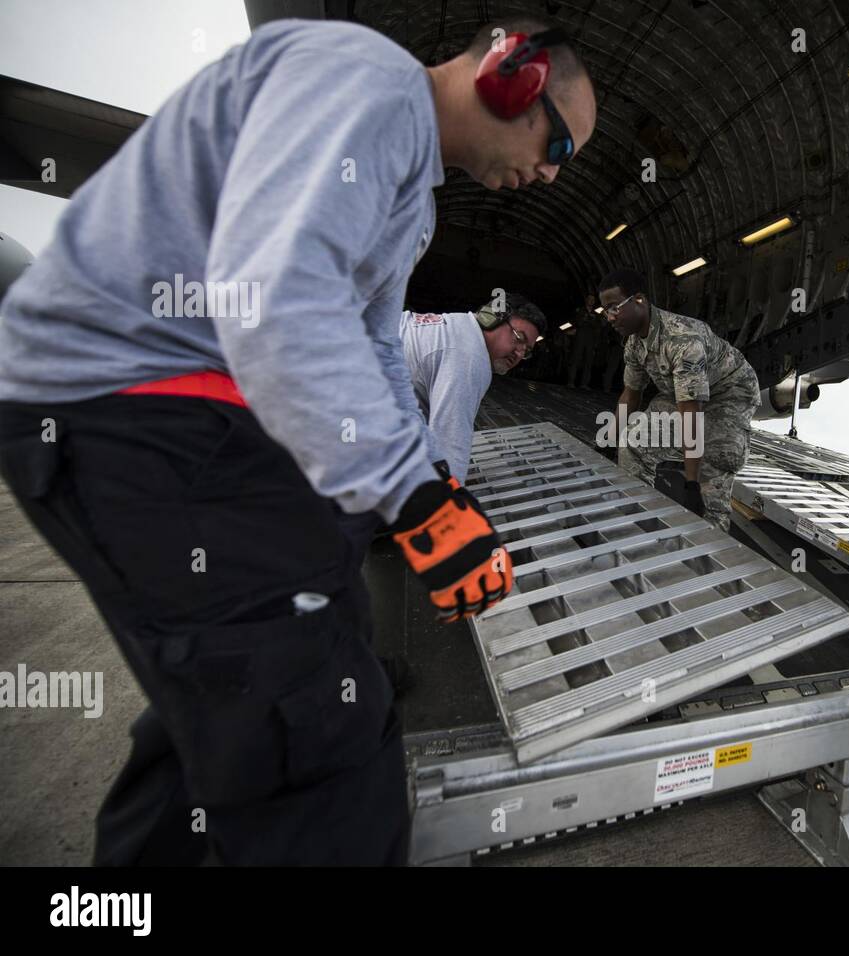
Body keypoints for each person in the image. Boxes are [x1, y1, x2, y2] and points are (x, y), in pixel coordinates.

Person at [0, 16, 594, 865]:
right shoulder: (364, 81)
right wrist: (418, 500)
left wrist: (426, 486)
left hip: (192, 419)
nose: (546, 175)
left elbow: (378, 349)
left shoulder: (409, 208)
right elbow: (276, 298)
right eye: (560, 147)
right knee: (319, 735)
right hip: (134, 407)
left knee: (251, 684)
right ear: (513, 79)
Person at [599, 268, 760, 531]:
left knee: (711, 474)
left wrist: (691, 482)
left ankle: (711, 538)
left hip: (728, 395)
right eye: (606, 311)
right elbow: (631, 394)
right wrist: (607, 442)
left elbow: (691, 414)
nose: (610, 317)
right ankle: (638, 522)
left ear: (639, 299)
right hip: (682, 394)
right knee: (631, 442)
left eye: (614, 308)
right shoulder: (634, 344)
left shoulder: (683, 341)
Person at [401, 292, 546, 482]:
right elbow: (450, 443)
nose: (519, 353)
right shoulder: (469, 356)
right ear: (492, 318)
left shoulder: (457, 327)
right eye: (519, 338)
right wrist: (449, 501)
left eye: (526, 350)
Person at [566, 293, 600, 388]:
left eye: (593, 300)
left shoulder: (596, 314)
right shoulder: (580, 310)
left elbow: (597, 326)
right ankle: (571, 381)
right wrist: (586, 320)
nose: (591, 301)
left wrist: (596, 342)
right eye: (590, 299)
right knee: (575, 359)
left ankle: (584, 383)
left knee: (588, 361)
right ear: (586, 300)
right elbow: (577, 322)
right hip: (580, 337)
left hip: (590, 338)